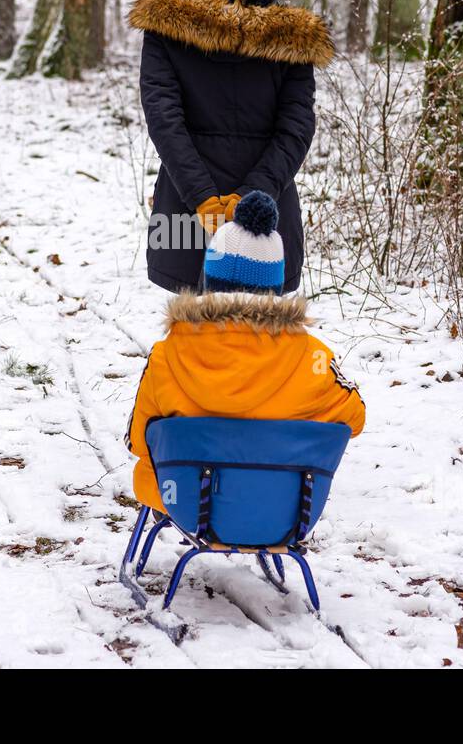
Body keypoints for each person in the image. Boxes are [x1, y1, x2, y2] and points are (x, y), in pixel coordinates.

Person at [128, 0, 334, 295]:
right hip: (266, 211)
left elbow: (163, 117)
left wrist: (204, 200)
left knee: (192, 337)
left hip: (184, 210)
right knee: (262, 338)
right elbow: (296, 126)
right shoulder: (293, 36)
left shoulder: (165, 27)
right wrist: (251, 198)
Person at [124, 192, 365, 512]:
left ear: (209, 281)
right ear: (276, 285)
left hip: (186, 503)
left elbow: (138, 441)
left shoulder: (166, 354)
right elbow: (355, 419)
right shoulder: (314, 359)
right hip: (281, 511)